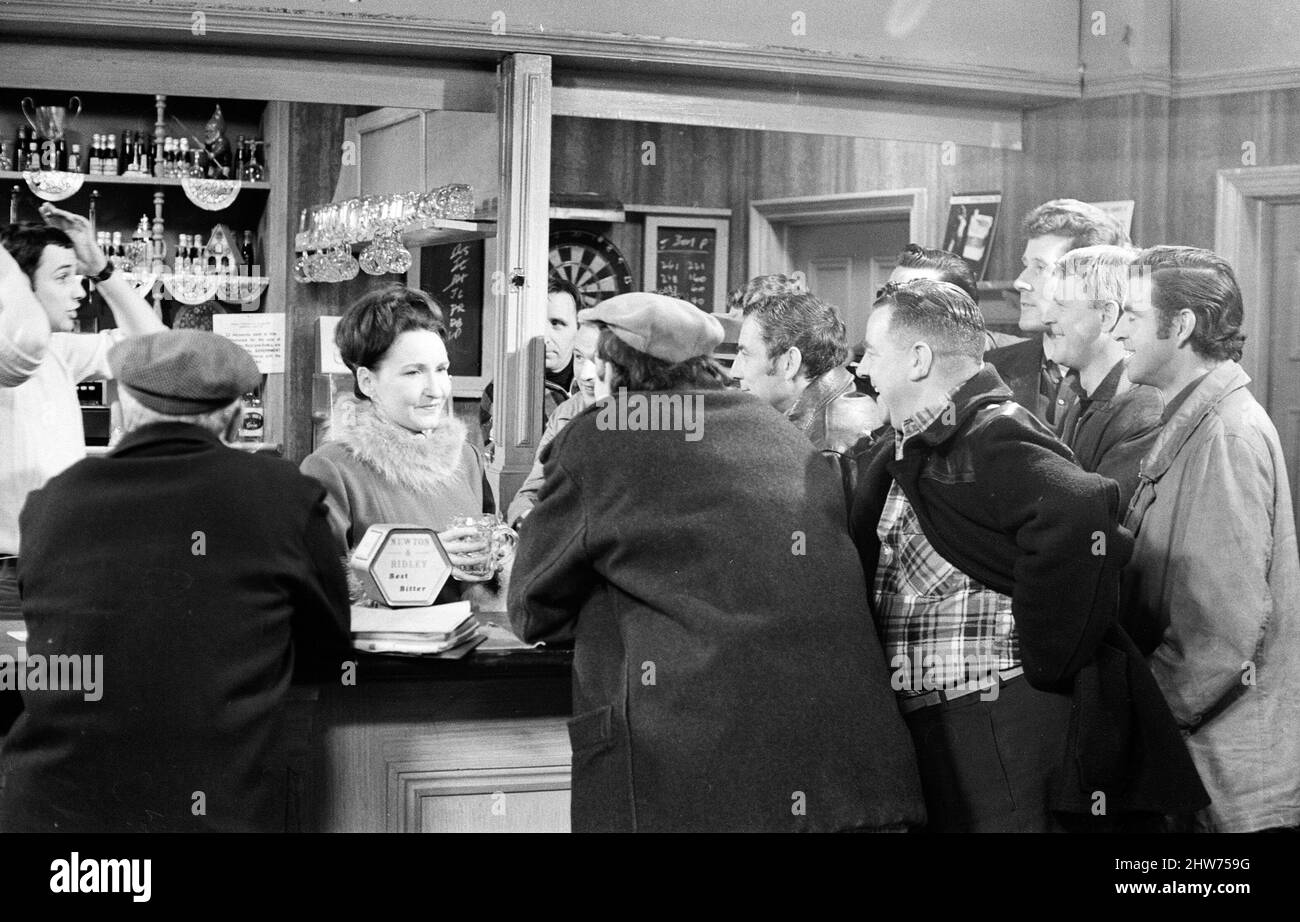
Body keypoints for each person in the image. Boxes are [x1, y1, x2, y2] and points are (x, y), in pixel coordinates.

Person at [508, 292, 925, 833]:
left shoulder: (601, 436)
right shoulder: (778, 428)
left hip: (695, 779)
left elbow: (531, 605)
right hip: (852, 777)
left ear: (611, 371)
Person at [850, 278, 1206, 832]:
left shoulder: (990, 430)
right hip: (956, 726)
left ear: (918, 359)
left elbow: (1082, 509)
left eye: (872, 352)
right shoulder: (927, 438)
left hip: (999, 729)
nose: (864, 371)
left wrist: (1047, 659)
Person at [0, 330, 350, 832]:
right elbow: (328, 652)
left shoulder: (52, 501)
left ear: (121, 411)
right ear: (232, 419)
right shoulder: (285, 497)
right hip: (208, 808)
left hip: (54, 811)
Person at [1117, 246, 1300, 833]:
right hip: (1209, 763)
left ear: (1183, 327)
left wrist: (1140, 719)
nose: (1118, 330)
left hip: (1226, 778)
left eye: (1132, 316)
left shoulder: (1224, 433)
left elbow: (1221, 627)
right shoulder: (1197, 419)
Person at [0, 207, 165, 617]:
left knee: (71, 679)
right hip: (6, 579)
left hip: (68, 569)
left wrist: (101, 268)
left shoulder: (61, 352)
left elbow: (157, 350)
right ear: (17, 288)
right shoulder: (11, 361)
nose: (79, 291)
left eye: (79, 278)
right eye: (62, 277)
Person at [301, 284, 502, 605]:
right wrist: (426, 560)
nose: (435, 390)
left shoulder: (467, 458)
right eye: (413, 373)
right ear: (368, 382)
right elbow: (317, 590)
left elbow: (491, 579)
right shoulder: (331, 467)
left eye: (442, 369)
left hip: (469, 644)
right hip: (381, 651)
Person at [987, 199, 1129, 433]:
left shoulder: (1134, 381)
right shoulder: (991, 370)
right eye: (1025, 264)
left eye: (1040, 267)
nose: (1020, 281)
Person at [1041, 245, 1163, 508]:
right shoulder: (1080, 396)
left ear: (1106, 316)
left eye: (1060, 304)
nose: (1046, 316)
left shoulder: (1141, 411)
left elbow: (1096, 518)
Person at [731, 289, 880, 452]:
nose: (734, 372)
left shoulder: (825, 446)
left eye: (746, 355)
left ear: (790, 363)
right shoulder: (837, 413)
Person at [506, 316, 599, 527]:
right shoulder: (566, 412)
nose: (585, 374)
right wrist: (525, 519)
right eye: (579, 357)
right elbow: (532, 491)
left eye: (598, 360)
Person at [478, 276, 583, 457]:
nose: (545, 337)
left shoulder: (601, 381)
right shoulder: (502, 390)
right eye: (536, 323)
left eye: (557, 323)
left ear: (578, 328)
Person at [885, 243, 1024, 352]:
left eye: (910, 299)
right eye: (889, 294)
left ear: (959, 310)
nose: (889, 309)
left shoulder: (1024, 360)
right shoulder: (874, 355)